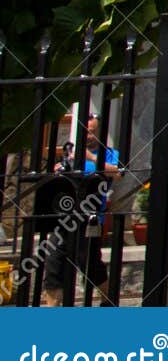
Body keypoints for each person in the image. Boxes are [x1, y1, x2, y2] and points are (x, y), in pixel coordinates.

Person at [42, 114, 120, 307]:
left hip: (90, 217)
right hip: (64, 216)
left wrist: (92, 158)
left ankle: (107, 300)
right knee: (53, 263)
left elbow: (117, 172)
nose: (89, 136)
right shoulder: (71, 152)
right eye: (86, 132)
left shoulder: (109, 153)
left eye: (93, 132)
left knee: (90, 263)